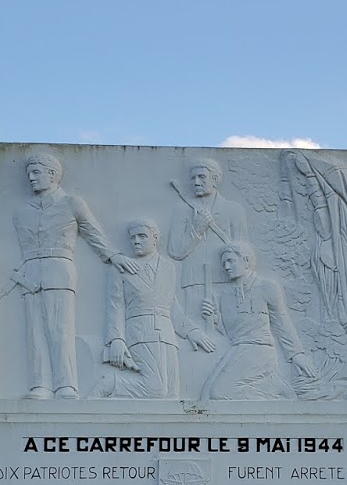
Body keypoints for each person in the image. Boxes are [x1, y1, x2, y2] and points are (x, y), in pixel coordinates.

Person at [7, 151, 134, 399]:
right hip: (29, 271)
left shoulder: (71, 203)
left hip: (59, 268)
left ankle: (66, 385)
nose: (31, 178)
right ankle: (40, 385)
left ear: (52, 174)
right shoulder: (21, 212)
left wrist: (114, 255)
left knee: (59, 329)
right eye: (28, 174)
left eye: (36, 173)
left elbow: (93, 232)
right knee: (34, 332)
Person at [280, 149, 347, 390]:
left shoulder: (344, 249)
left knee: (342, 326)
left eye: (321, 211)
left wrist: (310, 174)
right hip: (326, 304)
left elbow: (323, 203)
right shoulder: (318, 247)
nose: (316, 217)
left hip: (339, 302)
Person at [98, 219, 215, 398]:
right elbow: (115, 307)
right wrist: (116, 340)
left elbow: (171, 307)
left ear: (155, 238)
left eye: (142, 236)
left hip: (166, 334)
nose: (136, 241)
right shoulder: (120, 269)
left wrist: (192, 331)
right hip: (139, 331)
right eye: (133, 238)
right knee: (155, 389)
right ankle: (110, 384)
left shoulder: (168, 267)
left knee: (171, 394)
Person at [199, 242, 315, 401]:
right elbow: (228, 331)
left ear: (246, 261)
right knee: (206, 396)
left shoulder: (266, 287)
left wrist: (296, 354)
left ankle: (278, 393)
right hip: (237, 349)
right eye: (223, 263)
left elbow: (282, 322)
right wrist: (212, 317)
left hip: (260, 350)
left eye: (230, 261)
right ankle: (272, 384)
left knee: (219, 393)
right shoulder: (224, 295)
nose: (226, 267)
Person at [167, 156, 249, 325]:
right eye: (193, 178)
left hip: (226, 279)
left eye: (201, 177)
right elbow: (175, 252)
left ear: (215, 179)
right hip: (193, 280)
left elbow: (244, 253)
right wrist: (197, 229)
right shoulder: (182, 210)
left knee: (226, 329)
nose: (196, 182)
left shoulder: (234, 210)